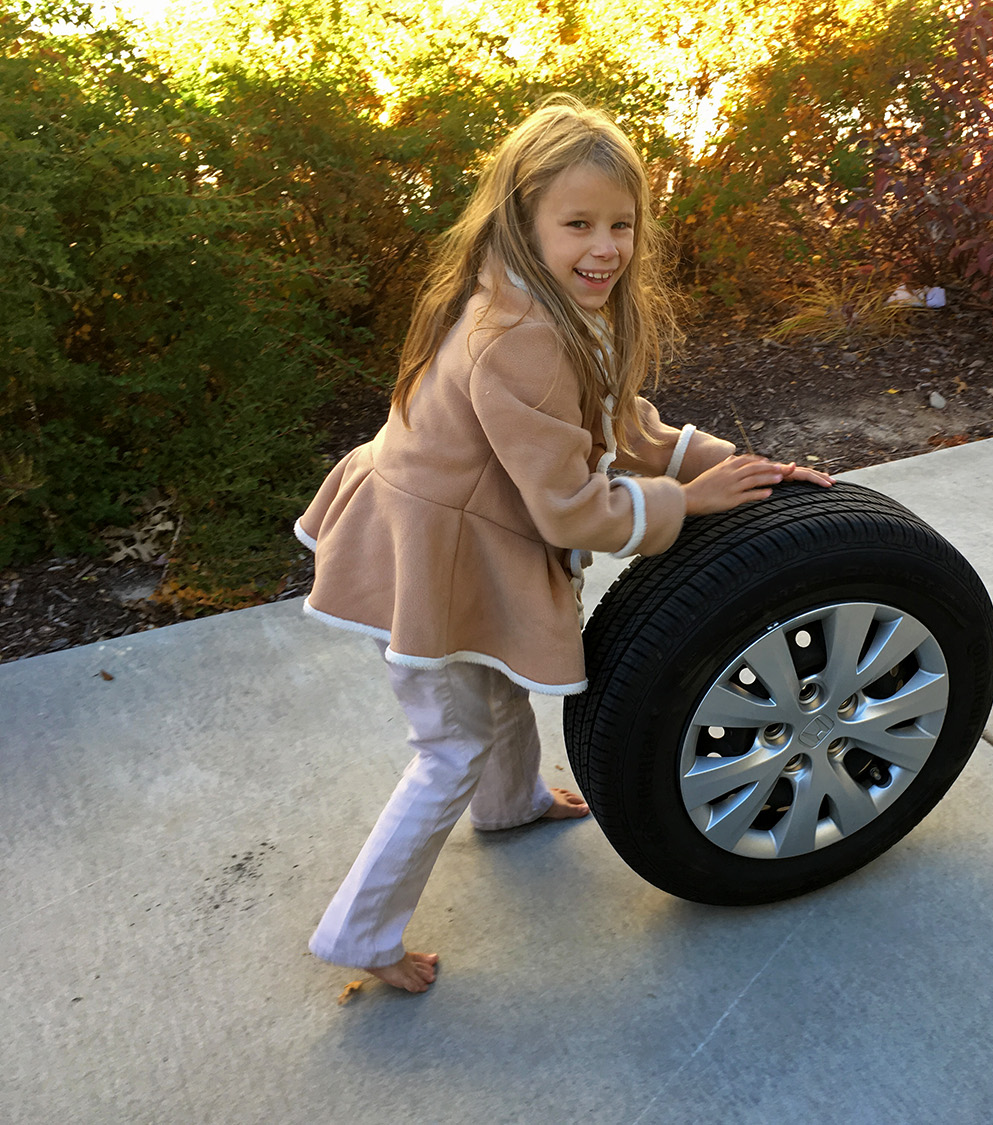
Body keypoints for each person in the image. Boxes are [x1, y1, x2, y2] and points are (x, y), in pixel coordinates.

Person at [294, 95, 833, 993]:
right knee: (448, 746)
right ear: (522, 218)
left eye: (621, 224)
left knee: (496, 687)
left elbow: (618, 425)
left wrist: (734, 467)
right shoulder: (517, 339)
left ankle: (510, 807)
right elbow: (572, 509)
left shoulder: (551, 306)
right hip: (429, 556)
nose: (606, 246)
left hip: (460, 539)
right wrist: (685, 503)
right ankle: (362, 935)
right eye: (578, 222)